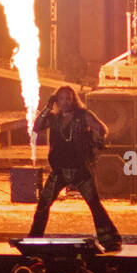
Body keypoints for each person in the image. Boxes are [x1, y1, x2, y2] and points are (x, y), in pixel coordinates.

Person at [28, 87, 122, 253]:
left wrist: (99, 140)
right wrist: (47, 107)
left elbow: (102, 128)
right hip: (59, 170)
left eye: (68, 98)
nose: (65, 102)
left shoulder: (84, 115)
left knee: (94, 205)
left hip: (80, 170)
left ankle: (111, 240)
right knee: (43, 205)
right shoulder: (53, 118)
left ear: (74, 100)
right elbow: (36, 127)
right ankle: (34, 239)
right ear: (57, 101)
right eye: (61, 99)